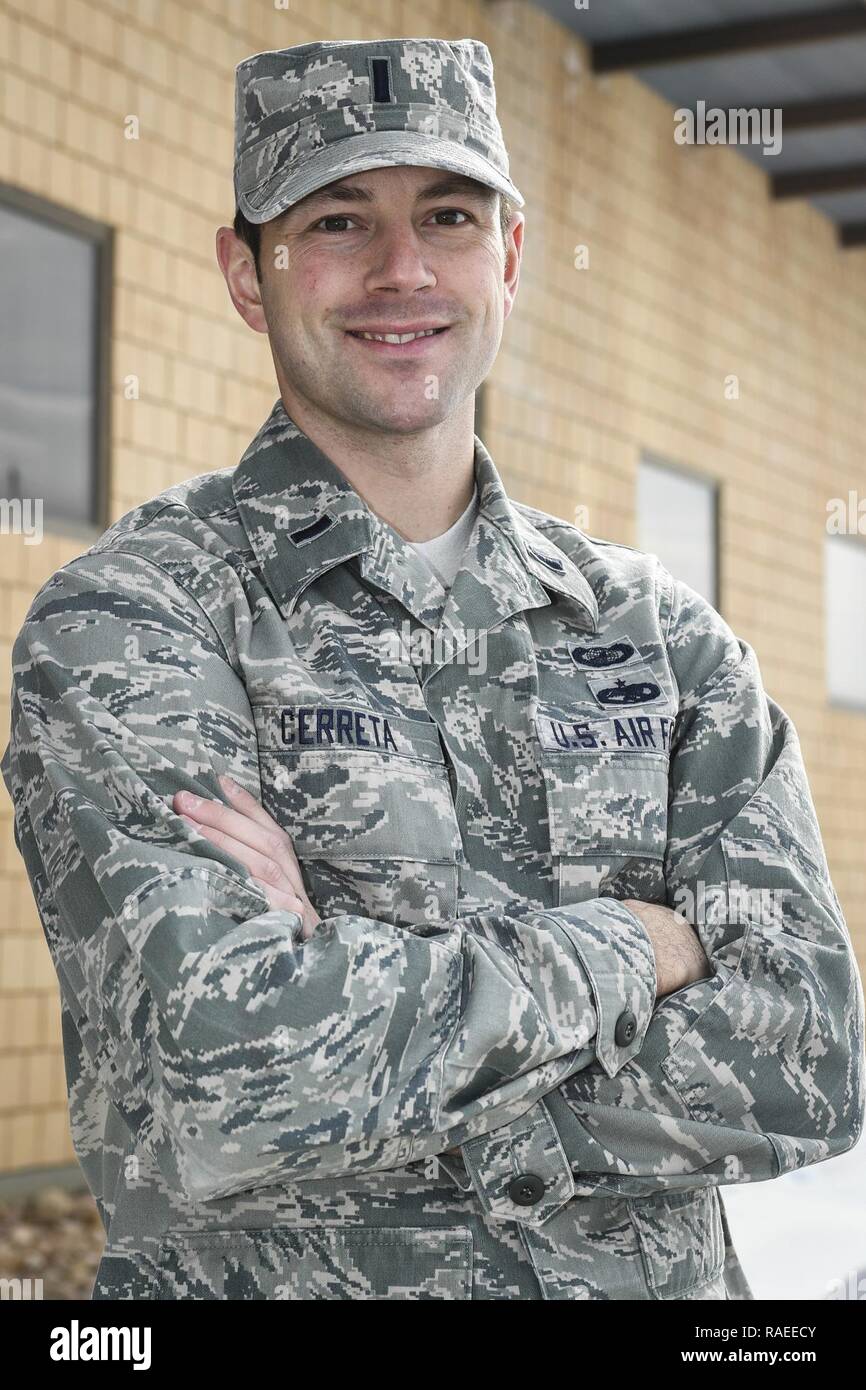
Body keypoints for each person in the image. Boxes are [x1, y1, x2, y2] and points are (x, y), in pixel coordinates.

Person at [2, 36, 863, 1302]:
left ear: (507, 258)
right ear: (249, 273)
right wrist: (629, 949)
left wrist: (352, 1004)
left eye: (446, 216)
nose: (401, 270)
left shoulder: (661, 640)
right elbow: (230, 1069)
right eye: (339, 220)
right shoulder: (134, 621)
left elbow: (813, 1061)